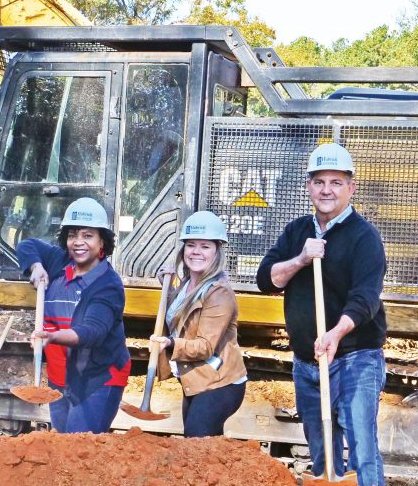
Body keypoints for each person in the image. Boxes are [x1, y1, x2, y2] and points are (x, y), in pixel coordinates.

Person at [257, 143, 386, 486]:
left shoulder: (365, 238)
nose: (326, 189)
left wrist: (335, 334)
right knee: (321, 450)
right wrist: (300, 259)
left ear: (350, 187)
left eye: (336, 182)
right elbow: (265, 279)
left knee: (362, 447)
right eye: (319, 181)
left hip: (355, 359)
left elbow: (365, 300)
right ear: (308, 186)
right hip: (307, 362)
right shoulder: (297, 232)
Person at [19, 197, 129, 433]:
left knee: (80, 451)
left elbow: (93, 331)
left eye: (87, 236)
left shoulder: (108, 285)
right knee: (62, 447)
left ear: (102, 243)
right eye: (72, 235)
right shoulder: (59, 261)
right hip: (61, 378)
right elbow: (27, 245)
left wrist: (53, 337)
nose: (78, 243)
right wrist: (36, 266)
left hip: (97, 379)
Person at [150, 211, 247, 437]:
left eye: (205, 246)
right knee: (202, 449)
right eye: (191, 245)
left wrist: (171, 343)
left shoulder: (219, 292)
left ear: (217, 251)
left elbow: (204, 346)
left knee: (196, 445)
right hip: (198, 380)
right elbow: (182, 316)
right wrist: (168, 287)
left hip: (219, 383)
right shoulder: (189, 283)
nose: (196, 252)